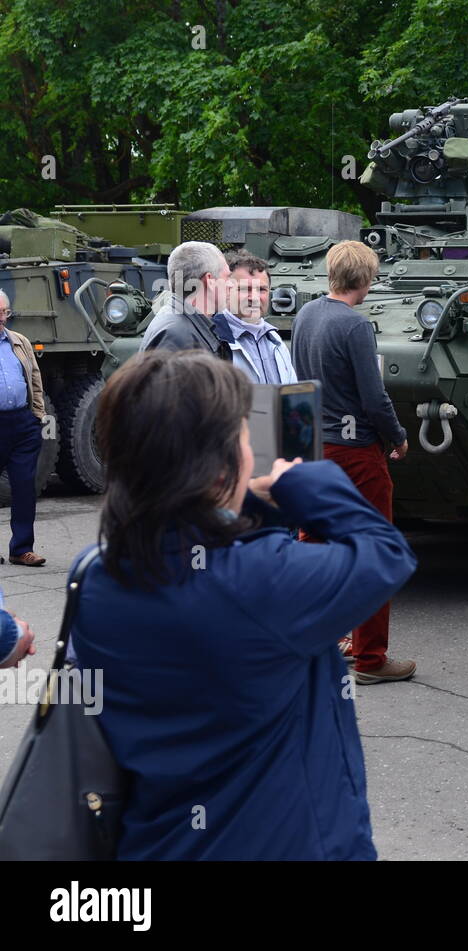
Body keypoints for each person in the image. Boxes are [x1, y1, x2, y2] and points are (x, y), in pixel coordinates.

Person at [70, 350, 416, 860]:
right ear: (215, 465)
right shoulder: (261, 585)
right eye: (242, 437)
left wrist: (242, 503)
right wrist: (301, 480)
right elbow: (385, 554)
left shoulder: (97, 576)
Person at [290, 240, 414, 685]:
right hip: (355, 452)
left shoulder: (304, 316)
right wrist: (397, 438)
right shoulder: (355, 327)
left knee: (316, 545)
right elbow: (374, 398)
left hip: (312, 446)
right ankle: (370, 659)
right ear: (362, 279)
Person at [0, 291, 48, 567]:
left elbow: (34, 378)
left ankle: (21, 549)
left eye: (5, 312)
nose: (2, 318)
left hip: (22, 424)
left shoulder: (19, 342)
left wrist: (38, 415)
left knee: (24, 489)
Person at [214, 250, 297, 384]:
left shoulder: (275, 340)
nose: (255, 298)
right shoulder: (214, 341)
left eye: (262, 290)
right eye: (245, 289)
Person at [140, 241, 232, 359]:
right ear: (210, 280)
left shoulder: (180, 327)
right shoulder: (177, 336)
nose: (231, 285)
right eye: (227, 277)